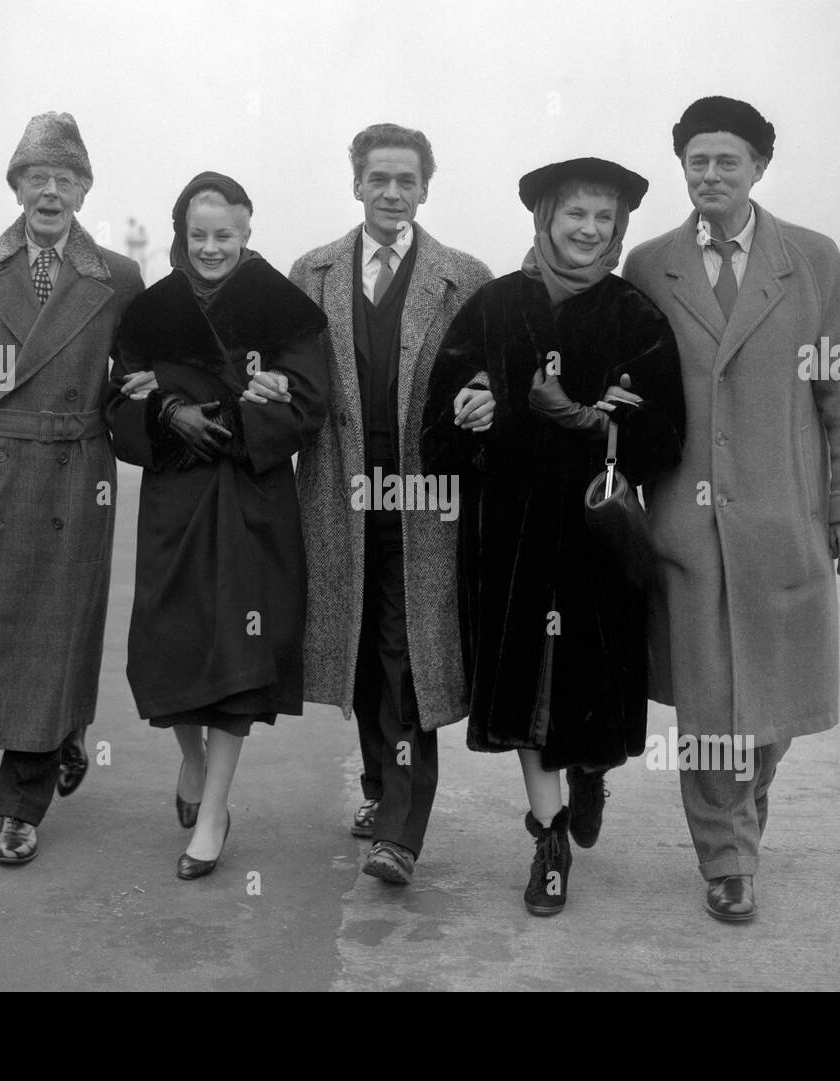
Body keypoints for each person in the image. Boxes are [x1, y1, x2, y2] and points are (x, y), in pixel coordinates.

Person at [623, 96, 840, 921]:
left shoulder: (813, 259)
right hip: (686, 522)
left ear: (759, 168)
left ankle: (747, 805)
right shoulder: (648, 263)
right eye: (697, 161)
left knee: (772, 702)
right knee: (709, 701)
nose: (709, 175)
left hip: (786, 516)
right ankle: (727, 856)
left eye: (726, 161)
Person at [421, 158, 685, 916]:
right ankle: (549, 834)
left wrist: (587, 416)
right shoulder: (493, 309)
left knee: (590, 698)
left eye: (604, 217)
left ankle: (592, 769)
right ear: (544, 219)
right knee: (526, 693)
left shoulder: (636, 317)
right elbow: (437, 433)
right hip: (511, 537)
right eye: (575, 213)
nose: (589, 230)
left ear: (620, 228)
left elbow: (666, 438)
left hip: (599, 544)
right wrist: (469, 410)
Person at [249, 123, 491, 885]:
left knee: (408, 657)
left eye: (406, 180)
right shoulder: (312, 271)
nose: (392, 193)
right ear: (356, 183)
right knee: (359, 653)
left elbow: (489, 378)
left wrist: (489, 398)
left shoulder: (464, 276)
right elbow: (287, 376)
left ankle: (399, 832)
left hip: (424, 500)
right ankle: (379, 788)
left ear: (426, 187)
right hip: (338, 497)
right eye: (378, 178)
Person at [0, 112, 144, 866]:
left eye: (65, 178)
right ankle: (62, 731)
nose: (51, 191)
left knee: (54, 635)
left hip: (73, 485)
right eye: (36, 177)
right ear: (16, 185)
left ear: (84, 189)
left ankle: (19, 805)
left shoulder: (116, 277)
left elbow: (134, 382)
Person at [109, 173, 329, 880]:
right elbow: (116, 403)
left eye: (224, 236)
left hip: (249, 497)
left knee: (239, 649)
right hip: (175, 497)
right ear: (182, 232)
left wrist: (232, 420)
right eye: (198, 235)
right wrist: (164, 414)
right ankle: (193, 759)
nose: (210, 248)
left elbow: (307, 401)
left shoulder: (281, 307)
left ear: (246, 233)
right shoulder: (151, 311)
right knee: (168, 643)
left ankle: (214, 814)